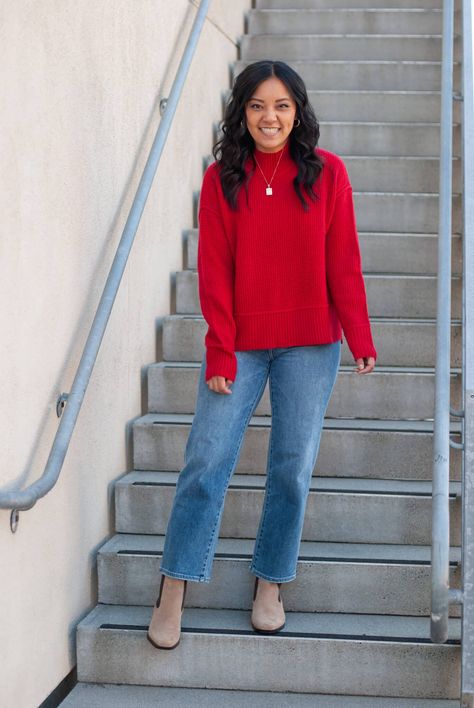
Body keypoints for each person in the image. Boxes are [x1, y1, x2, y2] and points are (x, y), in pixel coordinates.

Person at [147, 59, 377, 650]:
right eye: (256, 106)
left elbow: (342, 261)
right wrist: (221, 348)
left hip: (312, 343)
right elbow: (215, 273)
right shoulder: (222, 177)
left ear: (296, 110)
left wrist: (359, 334)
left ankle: (270, 583)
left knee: (291, 468)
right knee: (207, 459)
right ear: (241, 112)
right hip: (241, 344)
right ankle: (174, 585)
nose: (268, 117)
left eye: (279, 105)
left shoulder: (328, 174)